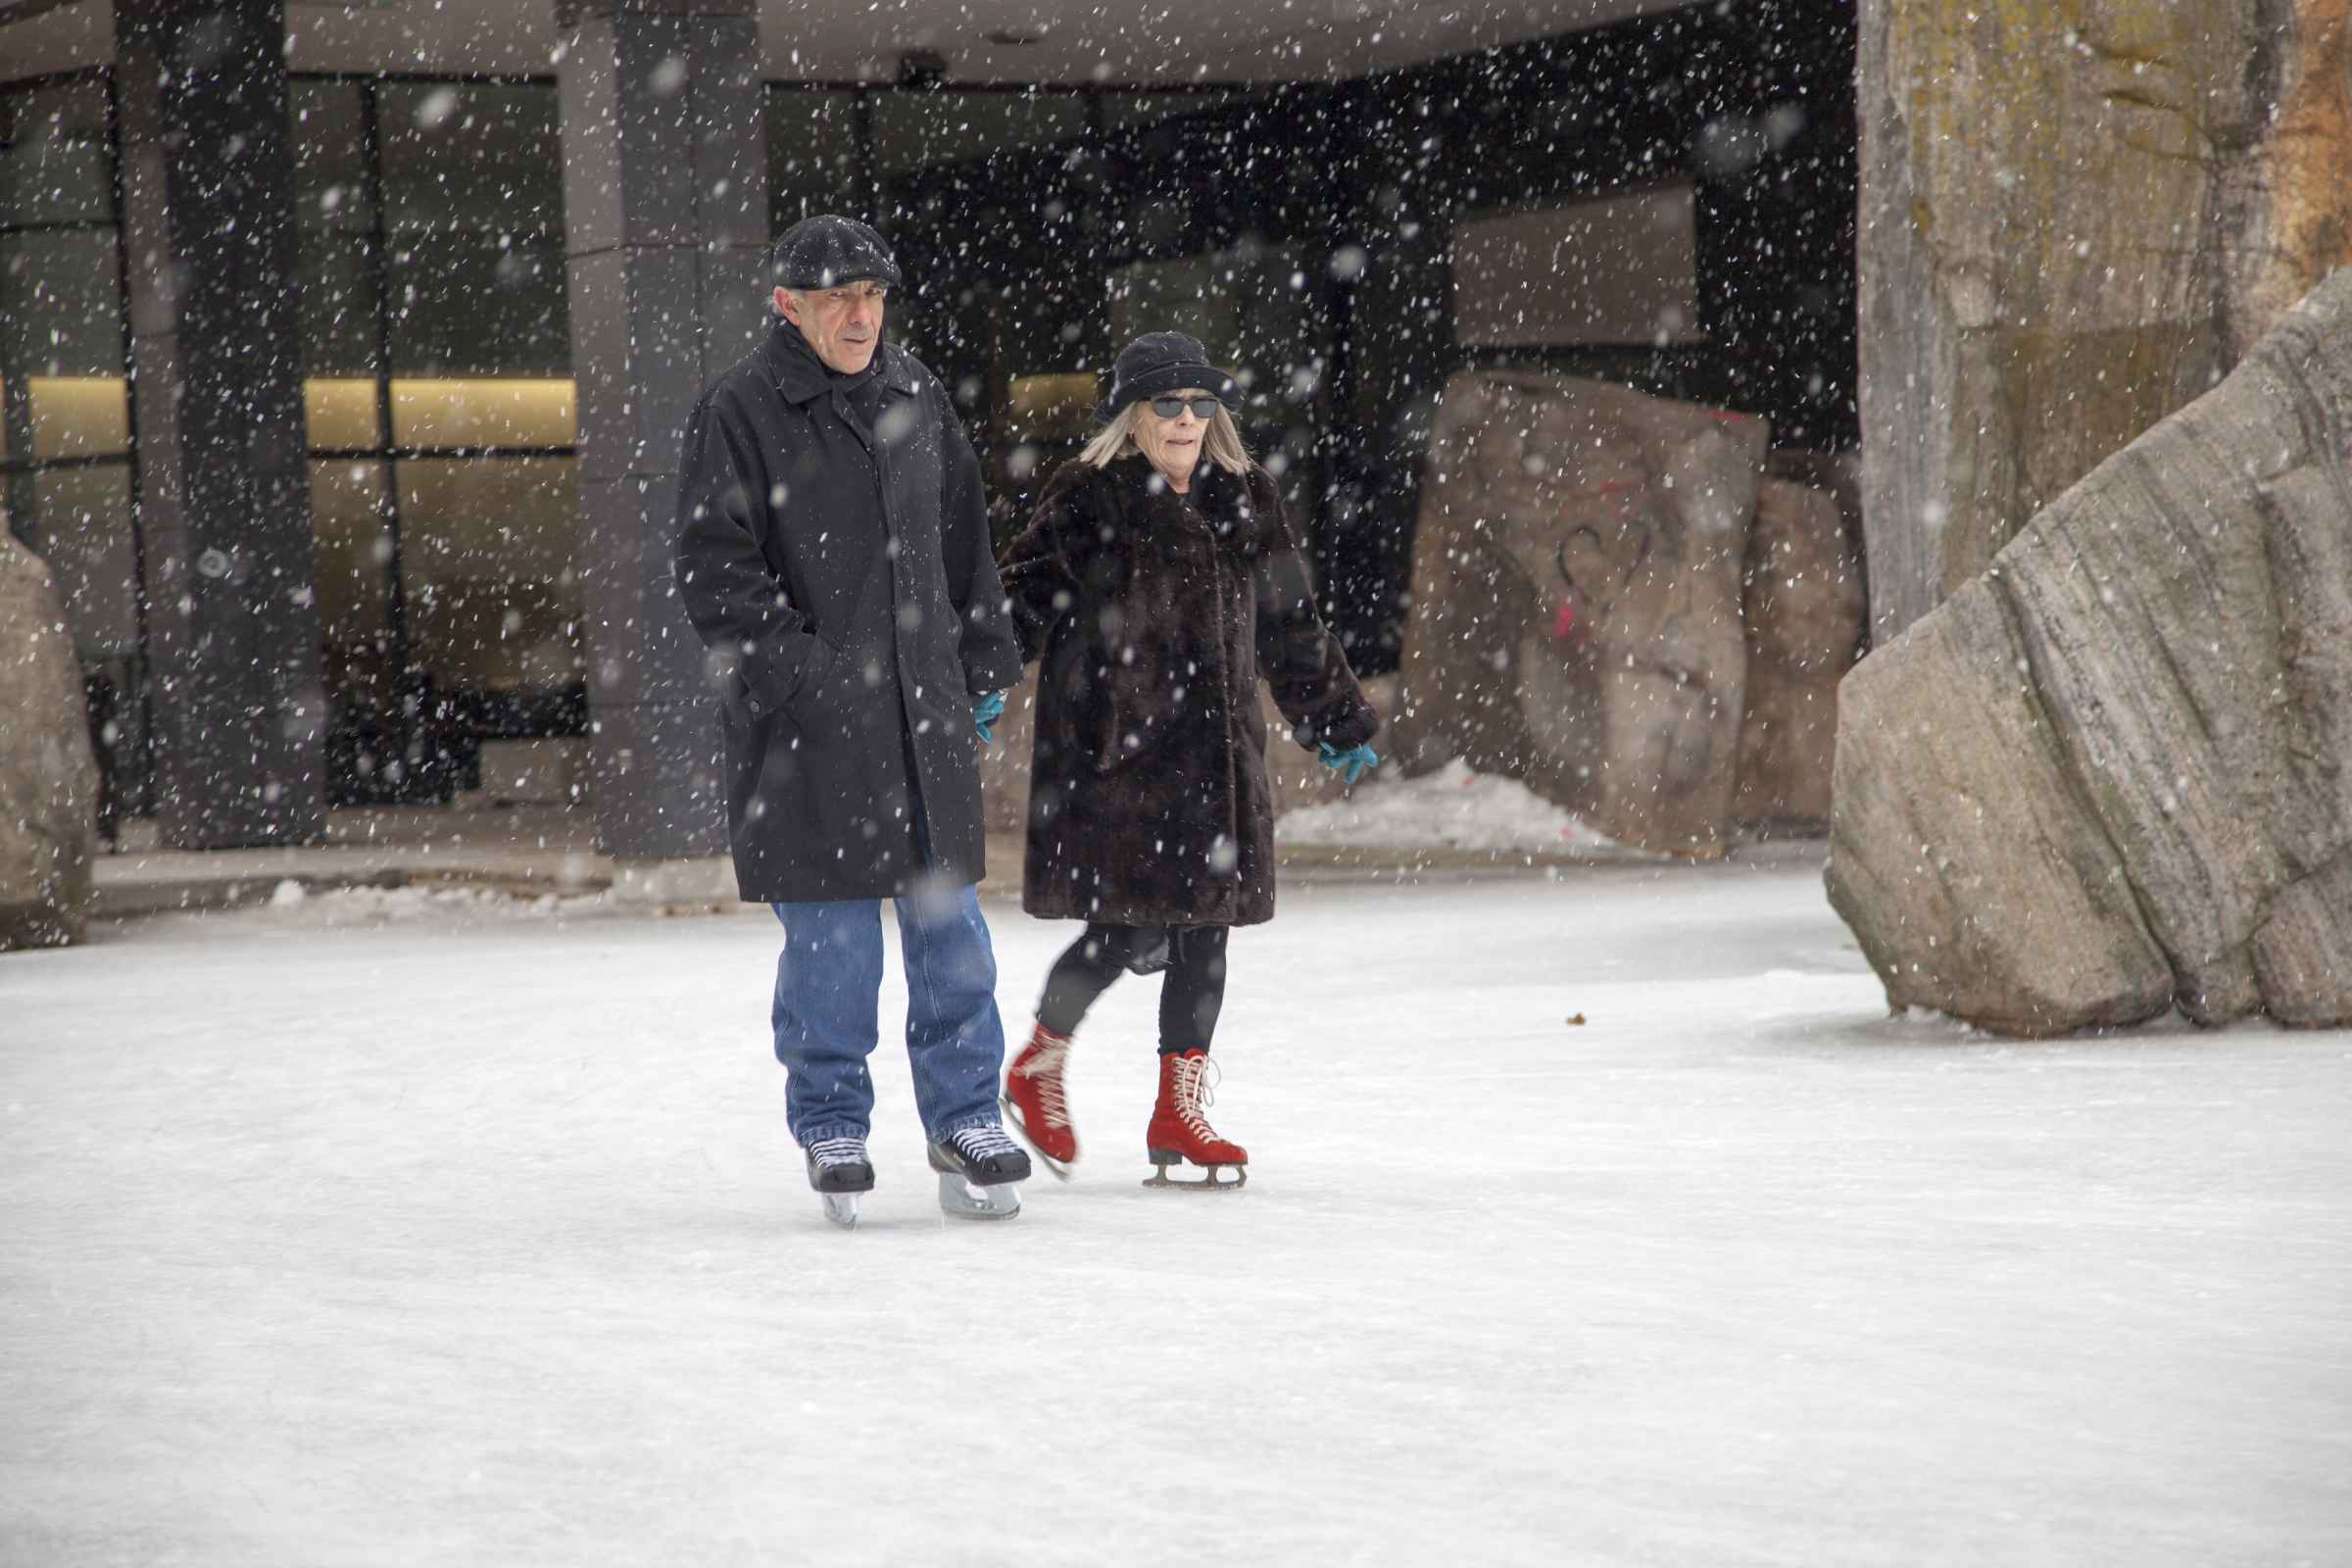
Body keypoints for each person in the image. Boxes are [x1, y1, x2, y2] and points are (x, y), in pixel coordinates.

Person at [671, 215, 1032, 1227]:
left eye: (872, 296)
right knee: (833, 946)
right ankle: (833, 1119)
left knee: (951, 935)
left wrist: (984, 657)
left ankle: (966, 1114)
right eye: (838, 297)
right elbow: (715, 570)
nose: (860, 315)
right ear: (786, 303)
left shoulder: (916, 395)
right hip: (810, 734)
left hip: (922, 717)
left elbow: (966, 542)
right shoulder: (740, 410)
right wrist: (808, 680)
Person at [995, 331, 1381, 1189]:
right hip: (1120, 760)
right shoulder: (1089, 497)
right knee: (1124, 930)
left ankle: (1181, 1107)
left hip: (1220, 760)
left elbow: (1291, 624)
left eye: (1201, 404)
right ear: (1131, 416)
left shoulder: (1247, 498)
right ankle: (1039, 1064)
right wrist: (977, 679)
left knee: (1208, 932)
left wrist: (1337, 717)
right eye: (1166, 404)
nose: (1185, 420)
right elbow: (1019, 595)